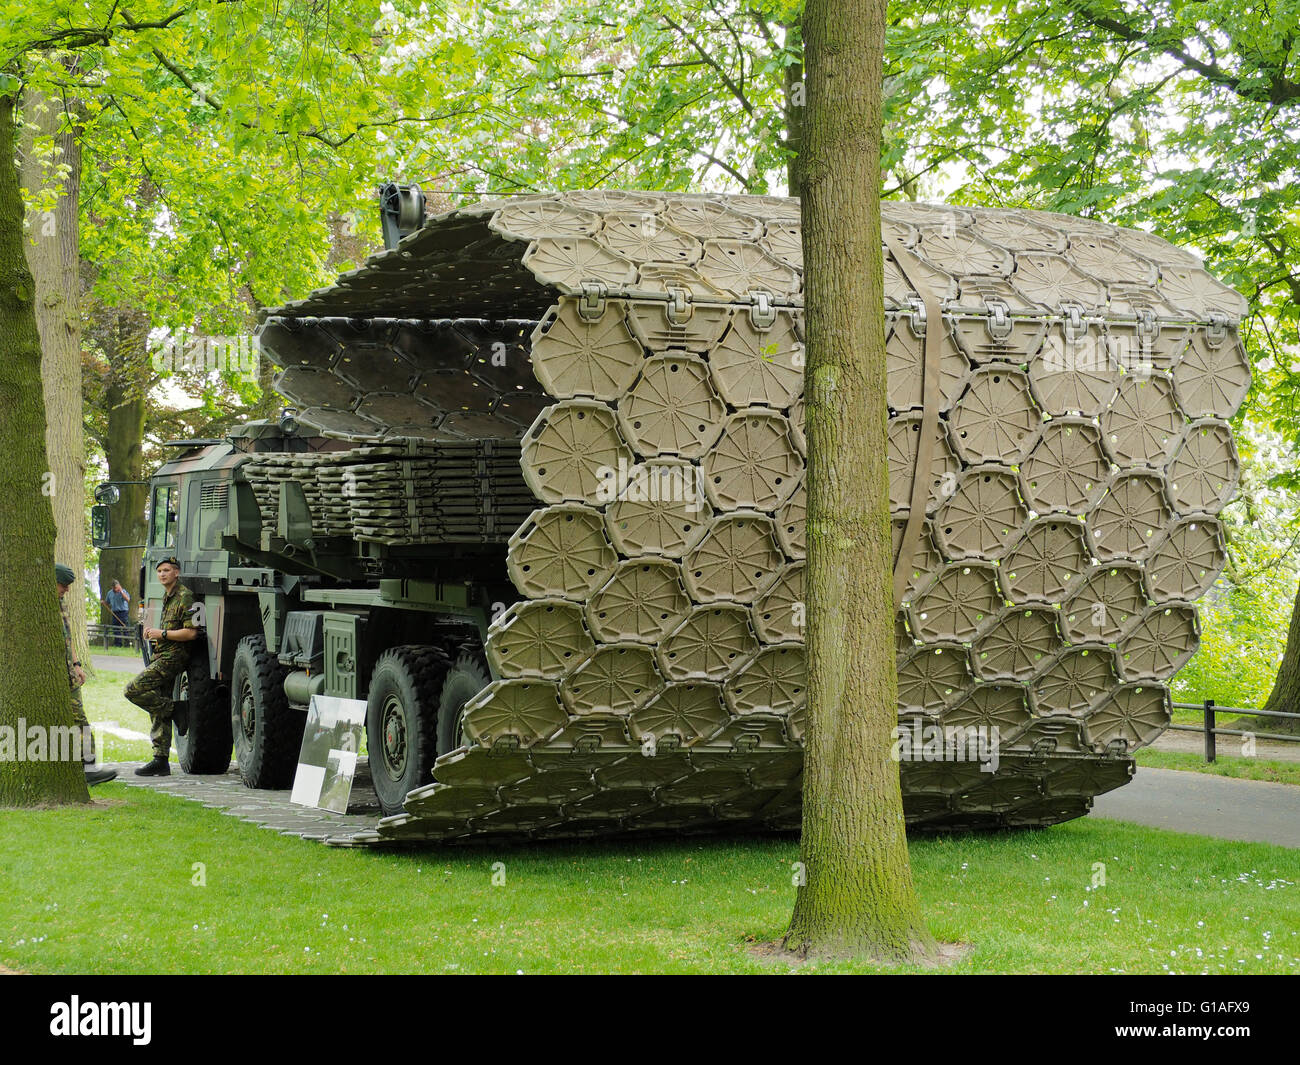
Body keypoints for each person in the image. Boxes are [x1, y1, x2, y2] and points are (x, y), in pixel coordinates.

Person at [124, 558, 200, 776]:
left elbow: (191, 632)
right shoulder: (167, 596)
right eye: (159, 571)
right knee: (159, 704)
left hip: (174, 657)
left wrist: (162, 634)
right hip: (163, 654)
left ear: (176, 573)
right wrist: (155, 634)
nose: (162, 574)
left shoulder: (185, 596)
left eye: (166, 570)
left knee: (133, 689)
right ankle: (160, 759)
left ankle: (176, 709)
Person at [55, 564, 117, 786]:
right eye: (63, 585)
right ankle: (87, 769)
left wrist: (77, 664)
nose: (67, 590)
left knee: (79, 718)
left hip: (66, 669)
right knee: (76, 720)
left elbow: (67, 636)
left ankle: (88, 768)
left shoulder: (59, 602)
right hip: (55, 671)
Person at [101, 580, 131, 648]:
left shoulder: (123, 591)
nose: (116, 589)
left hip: (123, 612)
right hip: (114, 613)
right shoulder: (110, 593)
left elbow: (128, 599)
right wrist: (104, 602)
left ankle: (127, 644)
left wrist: (121, 592)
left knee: (125, 628)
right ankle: (118, 644)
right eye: (114, 588)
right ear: (112, 587)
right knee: (116, 629)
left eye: (117, 588)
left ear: (119, 586)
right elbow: (107, 602)